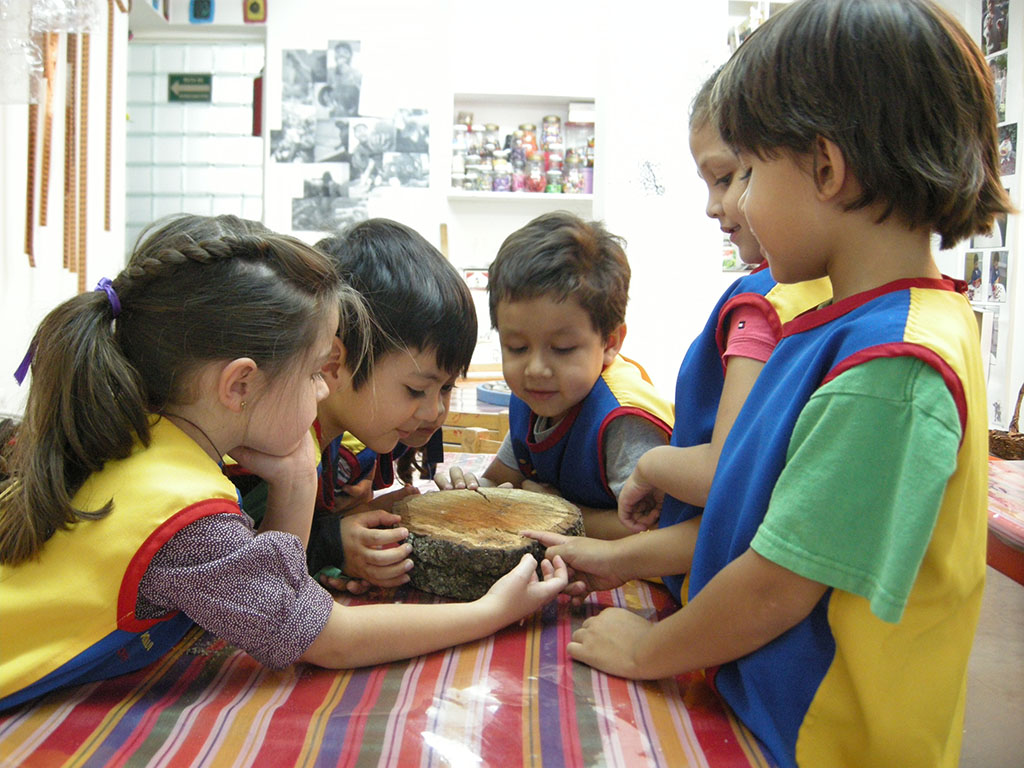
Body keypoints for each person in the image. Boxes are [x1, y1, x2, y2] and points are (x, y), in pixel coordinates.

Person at [529, 1, 1014, 765]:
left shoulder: (890, 365)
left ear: (825, 168)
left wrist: (648, 650)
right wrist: (614, 558)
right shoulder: (842, 325)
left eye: (749, 171)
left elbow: (777, 585)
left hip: (822, 741)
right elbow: (759, 520)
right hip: (766, 706)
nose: (737, 203)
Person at [0, 214, 566, 713]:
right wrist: (490, 613)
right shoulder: (189, 519)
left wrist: (296, 475)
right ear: (241, 384)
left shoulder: (145, 442)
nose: (324, 391)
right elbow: (327, 637)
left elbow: (283, 593)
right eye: (317, 372)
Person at [615, 67, 832, 602]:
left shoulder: (763, 302)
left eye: (731, 177)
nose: (714, 205)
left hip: (720, 592)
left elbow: (724, 473)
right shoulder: (824, 294)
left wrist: (650, 465)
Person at [436, 211, 675, 540]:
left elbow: (658, 532)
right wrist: (467, 490)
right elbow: (503, 481)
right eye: (517, 347)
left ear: (610, 342)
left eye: (562, 349)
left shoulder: (623, 422)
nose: (535, 369)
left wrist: (559, 512)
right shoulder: (533, 401)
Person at [308, 218, 479, 592]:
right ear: (334, 362)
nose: (435, 411)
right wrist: (329, 543)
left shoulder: (347, 440)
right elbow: (234, 563)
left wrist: (354, 523)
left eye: (447, 388)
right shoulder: (268, 444)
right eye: (416, 390)